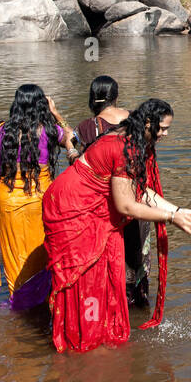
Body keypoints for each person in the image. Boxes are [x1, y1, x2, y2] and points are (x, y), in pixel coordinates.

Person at [42, 99, 191, 353]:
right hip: (72, 208)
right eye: (163, 128)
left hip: (91, 207)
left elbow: (141, 192)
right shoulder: (124, 147)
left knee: (108, 268)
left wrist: (176, 210)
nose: (166, 134)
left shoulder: (134, 140)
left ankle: (98, 332)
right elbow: (126, 206)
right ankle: (83, 340)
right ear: (148, 123)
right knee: (87, 276)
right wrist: (171, 218)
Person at [0, 85, 75, 309]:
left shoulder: (1, 132)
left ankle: (19, 306)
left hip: (8, 200)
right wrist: (56, 113)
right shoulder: (49, 130)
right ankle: (43, 303)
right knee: (42, 255)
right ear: (42, 105)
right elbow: (73, 137)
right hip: (40, 199)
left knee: (15, 259)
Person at [74, 75, 150, 306]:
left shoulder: (86, 128)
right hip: (137, 200)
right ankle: (140, 303)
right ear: (116, 97)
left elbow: (78, 162)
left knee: (111, 258)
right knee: (138, 257)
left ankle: (115, 308)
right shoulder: (137, 120)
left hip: (104, 204)